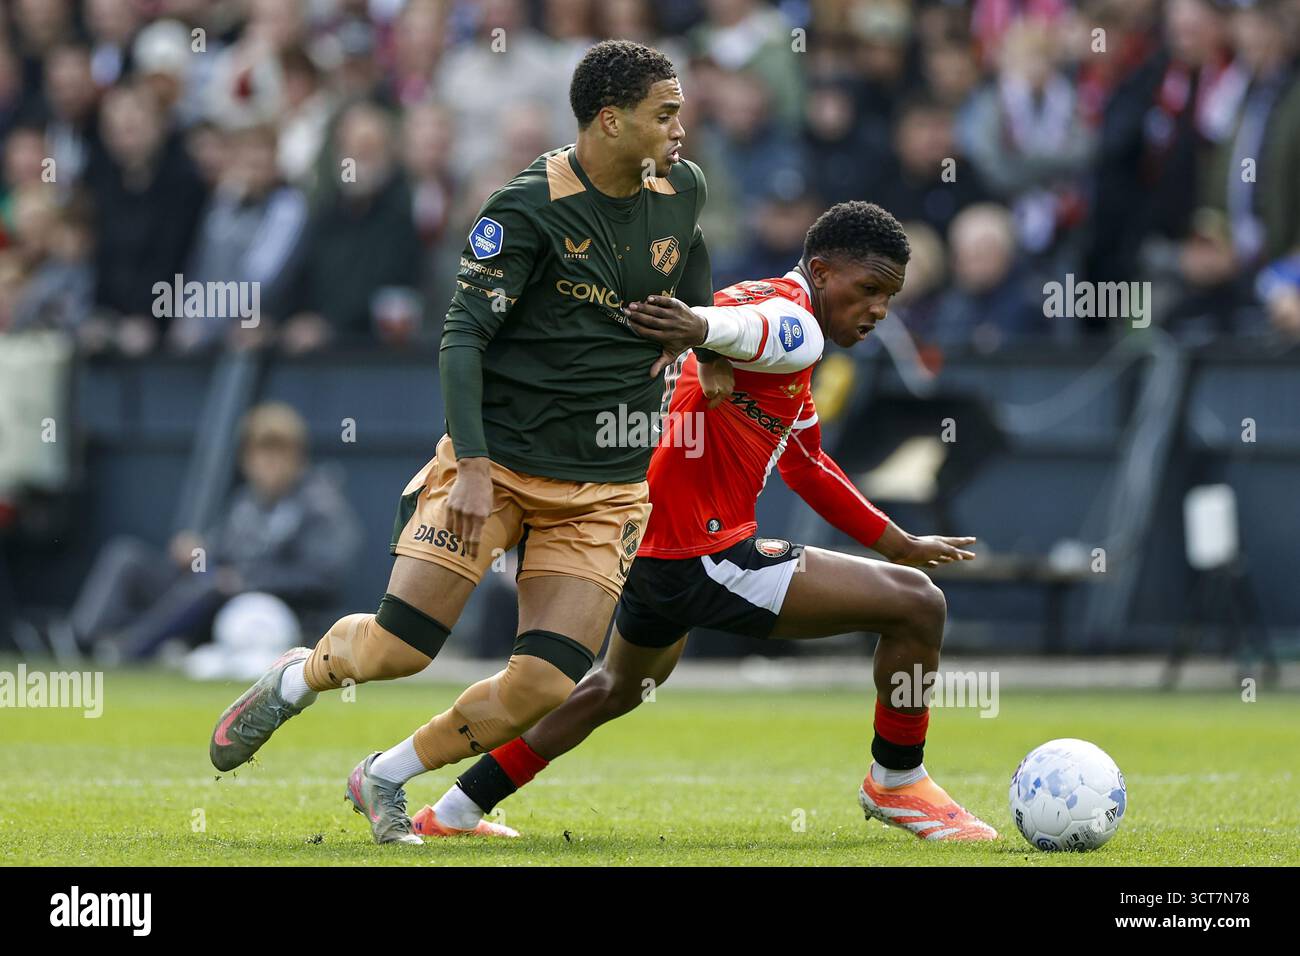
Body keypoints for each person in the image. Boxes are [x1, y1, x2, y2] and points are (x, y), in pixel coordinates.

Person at [208, 40, 717, 845]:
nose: (681, 127)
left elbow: (692, 283)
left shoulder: (681, 188)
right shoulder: (526, 207)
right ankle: (300, 676)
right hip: (501, 466)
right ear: (610, 121)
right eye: (667, 113)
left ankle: (385, 774)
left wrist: (697, 336)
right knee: (400, 650)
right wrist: (474, 468)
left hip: (607, 483)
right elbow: (460, 339)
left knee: (547, 681)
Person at [415, 201, 997, 842]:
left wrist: (898, 542)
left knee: (617, 687)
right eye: (869, 290)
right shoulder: (794, 321)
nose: (879, 309)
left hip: (652, 547)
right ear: (823, 272)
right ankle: (897, 783)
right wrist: (702, 330)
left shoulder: (767, 320)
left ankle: (456, 810)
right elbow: (757, 327)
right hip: (703, 552)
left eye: (890, 297)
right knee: (918, 606)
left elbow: (806, 464)